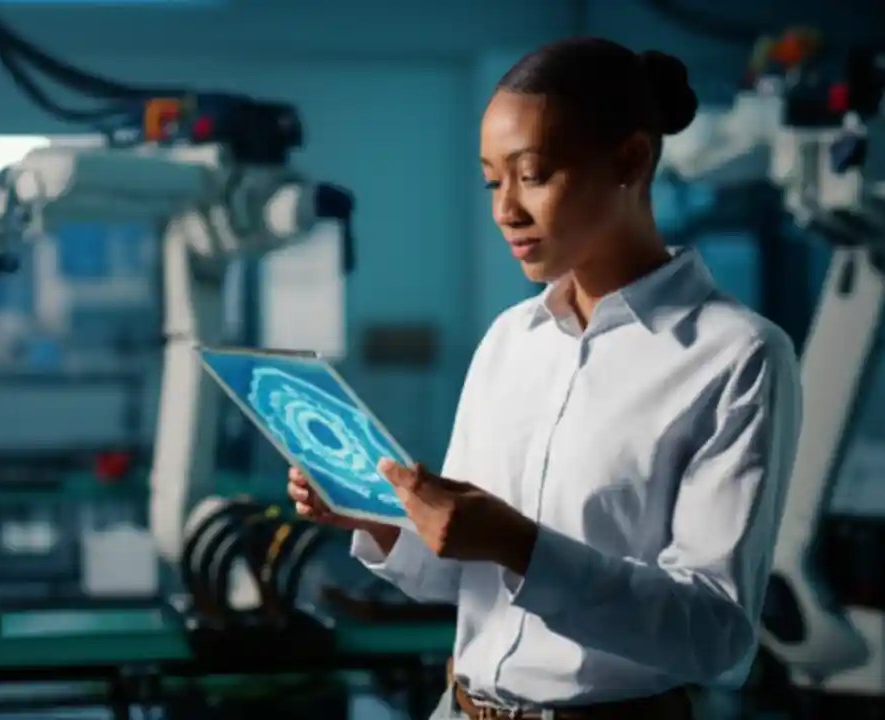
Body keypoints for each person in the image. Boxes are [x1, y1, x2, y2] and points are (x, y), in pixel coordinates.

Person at [288, 36, 802, 720]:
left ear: (630, 161)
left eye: (532, 174)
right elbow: (458, 578)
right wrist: (379, 520)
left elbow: (714, 636)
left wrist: (519, 544)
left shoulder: (736, 356)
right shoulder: (511, 340)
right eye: (492, 181)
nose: (505, 210)